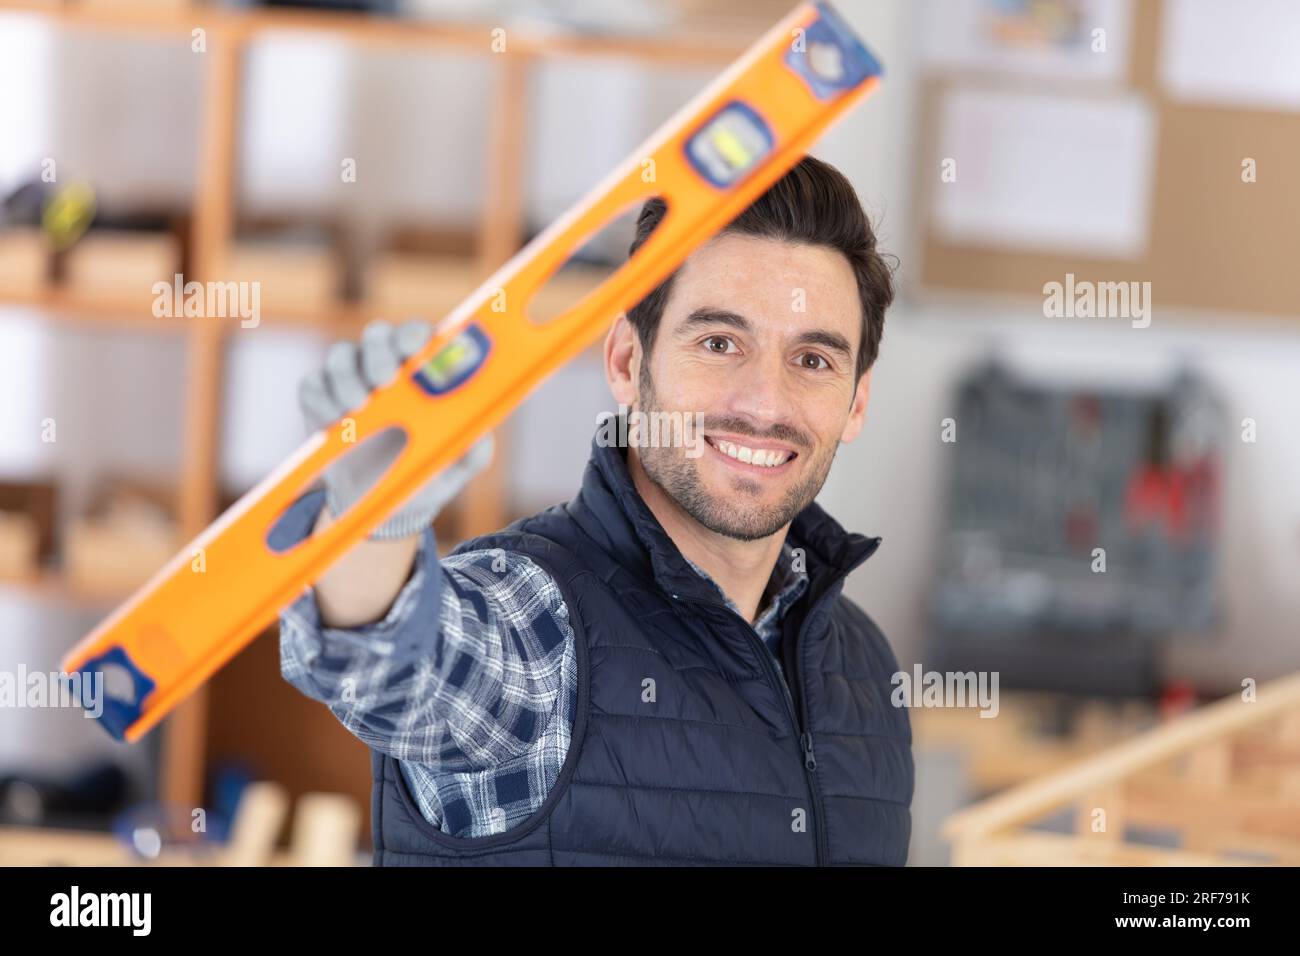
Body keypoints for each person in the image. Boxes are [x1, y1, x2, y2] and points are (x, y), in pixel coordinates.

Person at [278, 155, 913, 866]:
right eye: (718, 342)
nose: (765, 404)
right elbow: (401, 667)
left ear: (856, 402)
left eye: (814, 360)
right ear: (623, 363)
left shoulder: (864, 666)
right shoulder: (537, 624)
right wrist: (373, 526)